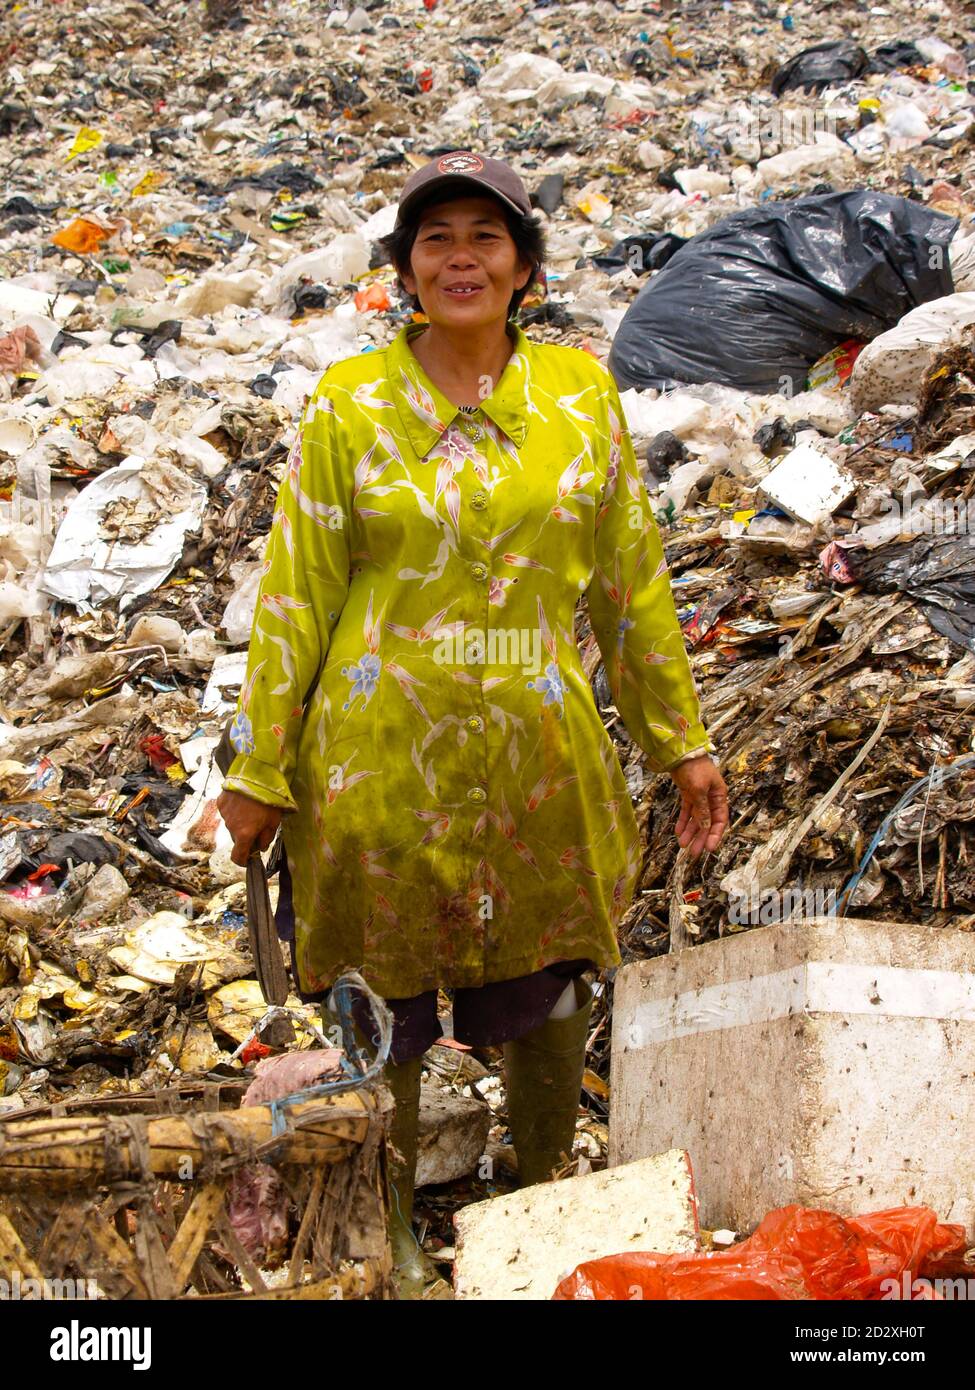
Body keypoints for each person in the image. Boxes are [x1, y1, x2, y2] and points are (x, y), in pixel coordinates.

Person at [217, 150, 729, 1297]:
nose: (461, 257)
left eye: (485, 237)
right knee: (382, 994)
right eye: (436, 237)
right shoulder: (350, 403)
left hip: (538, 759)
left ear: (524, 266)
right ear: (404, 269)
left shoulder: (579, 397)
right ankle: (394, 1219)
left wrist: (678, 741)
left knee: (552, 974)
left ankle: (542, 1195)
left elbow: (630, 585)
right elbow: (295, 592)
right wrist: (260, 768)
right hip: (375, 757)